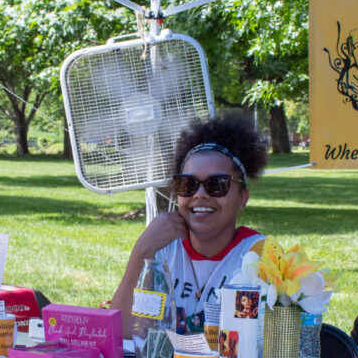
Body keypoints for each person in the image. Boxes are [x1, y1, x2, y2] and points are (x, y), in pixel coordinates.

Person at [110, 114, 268, 333]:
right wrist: (141, 251)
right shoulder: (164, 251)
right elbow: (127, 332)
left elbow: (247, 346)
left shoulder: (257, 256)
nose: (200, 194)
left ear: (242, 197)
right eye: (188, 184)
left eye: (217, 185)